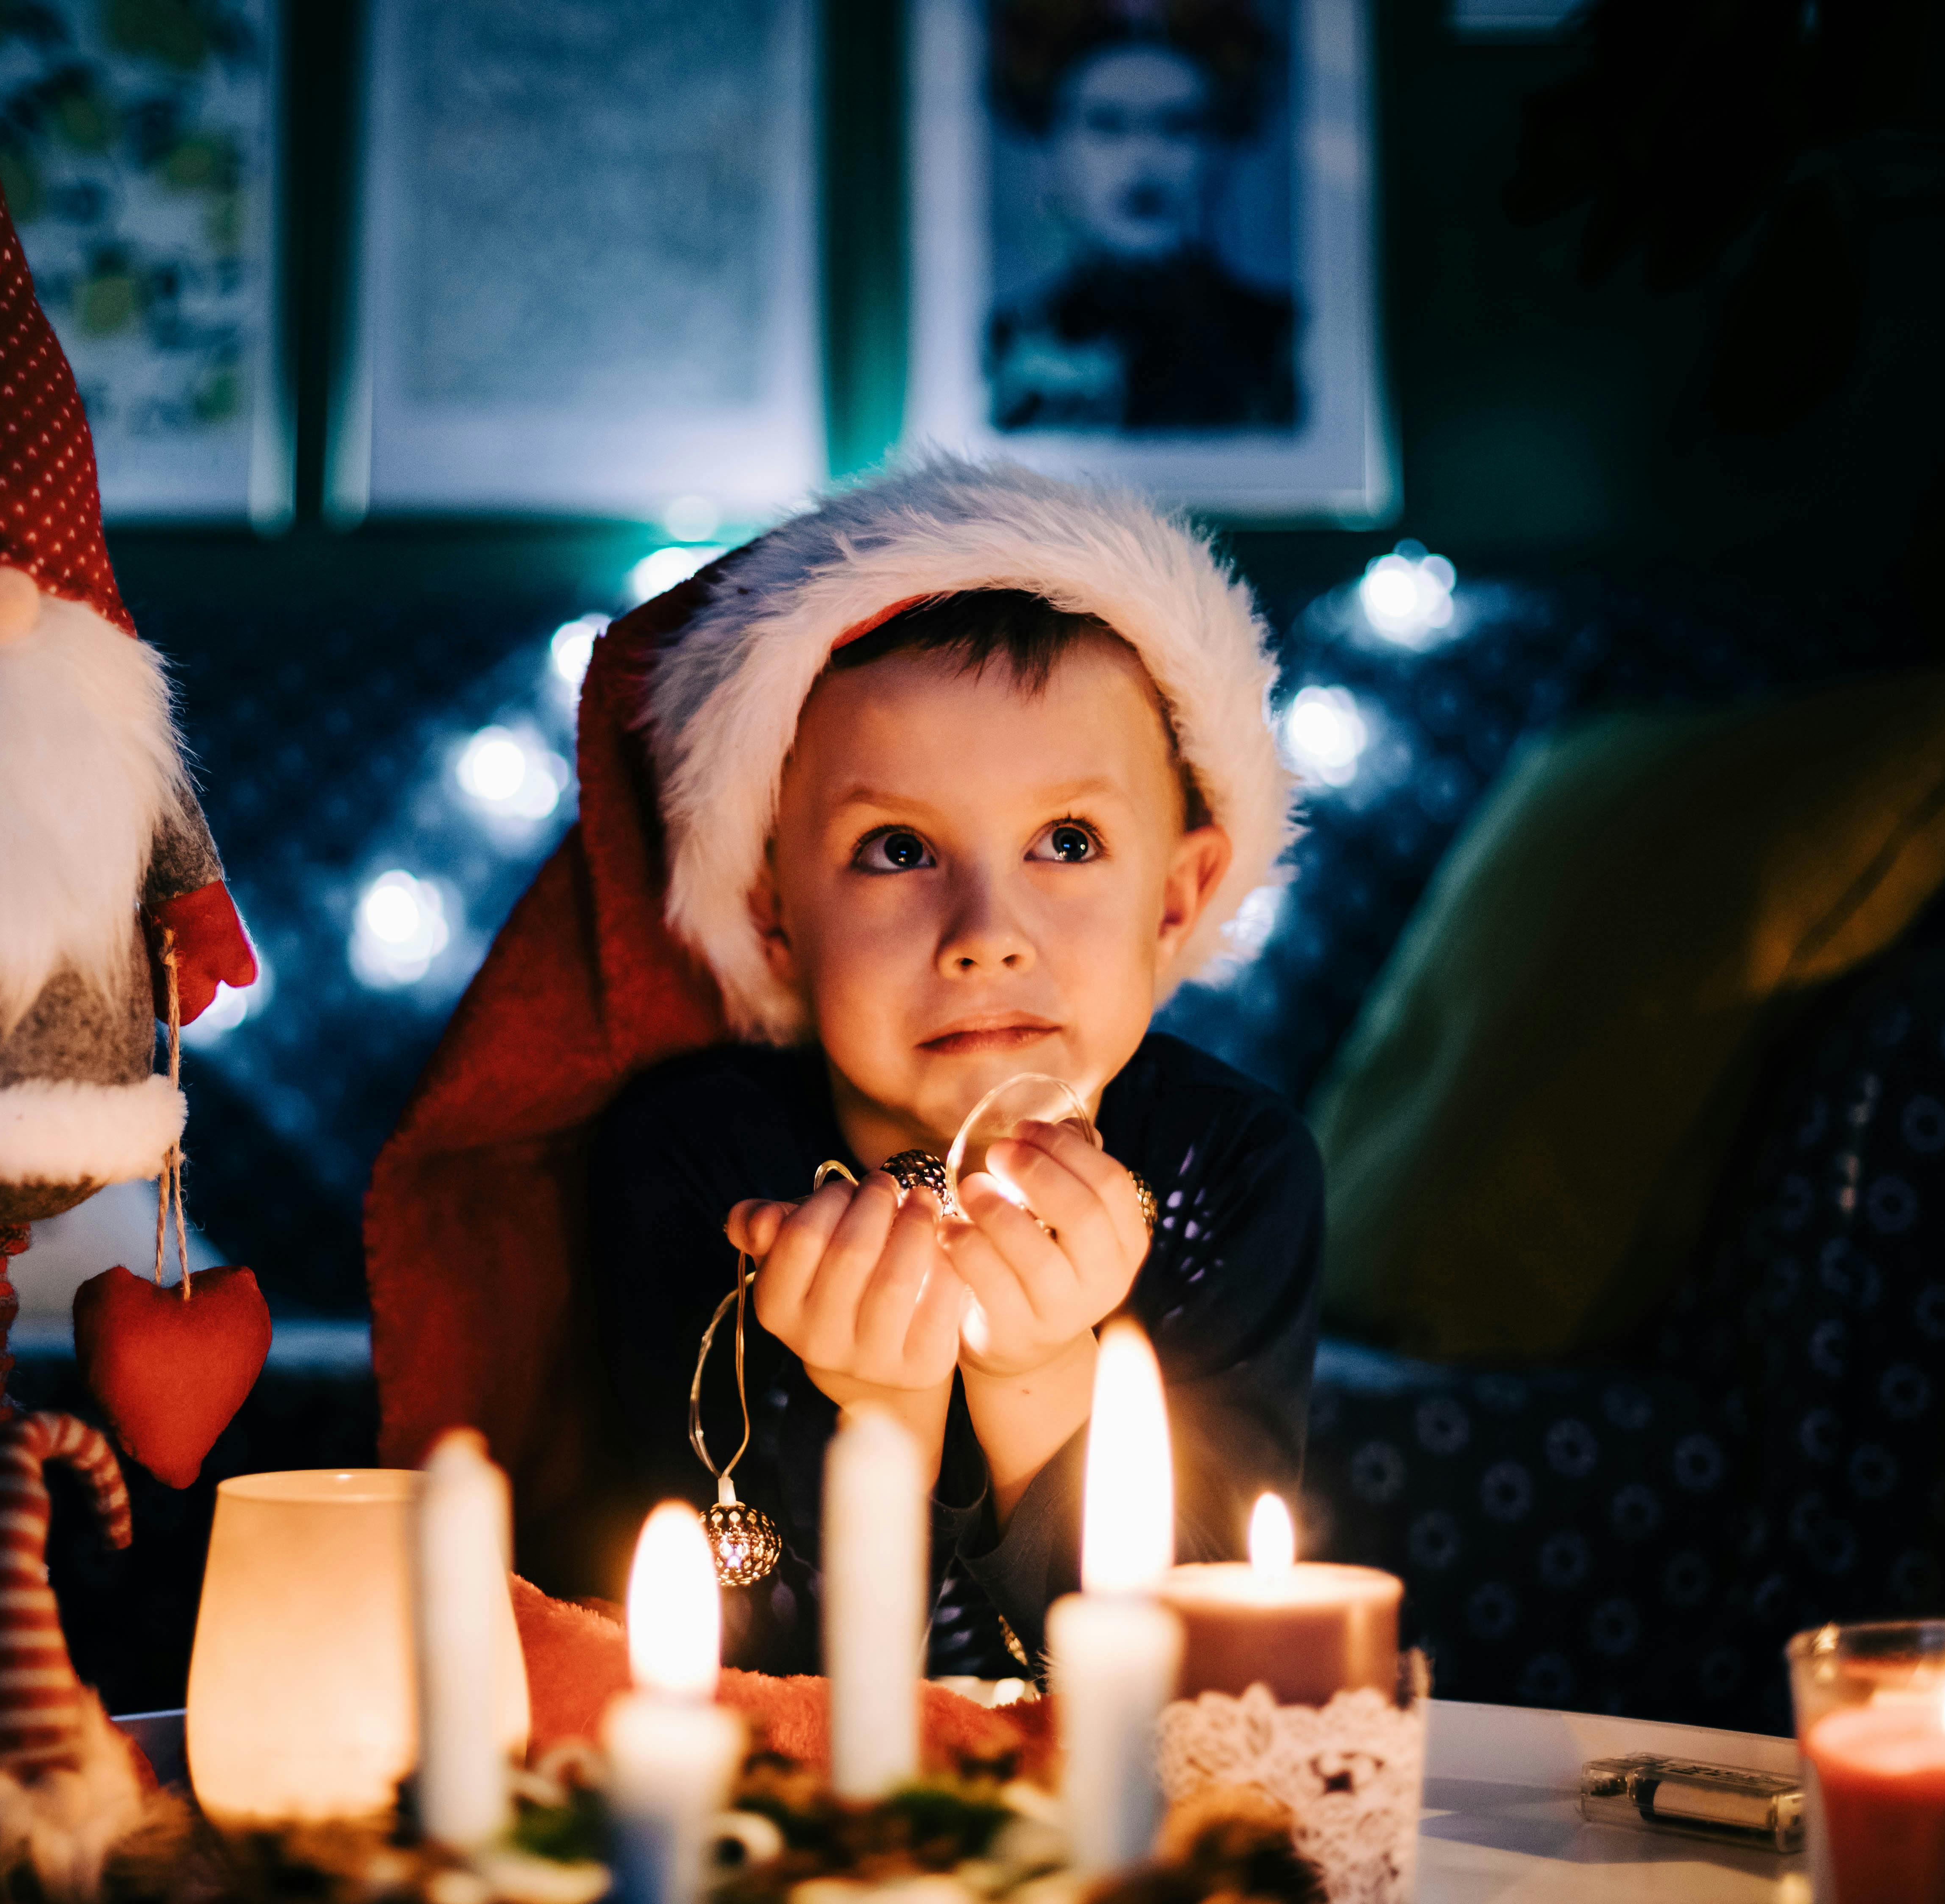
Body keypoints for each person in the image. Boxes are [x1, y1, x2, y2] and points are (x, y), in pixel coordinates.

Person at [359, 462, 1314, 1683]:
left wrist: (1038, 1378)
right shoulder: (694, 1164)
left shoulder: (1231, 1168)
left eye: (1066, 842)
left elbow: (1212, 1675)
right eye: (897, 849)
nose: (986, 930)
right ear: (771, 916)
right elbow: (724, 1674)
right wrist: (879, 1419)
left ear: (1177, 898)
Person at [986, 5, 1298, 433]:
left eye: (1177, 125)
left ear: (1219, 147)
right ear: (1053, 149)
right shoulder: (1002, 346)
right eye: (1108, 125)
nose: (1144, 160)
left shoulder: (1285, 342)